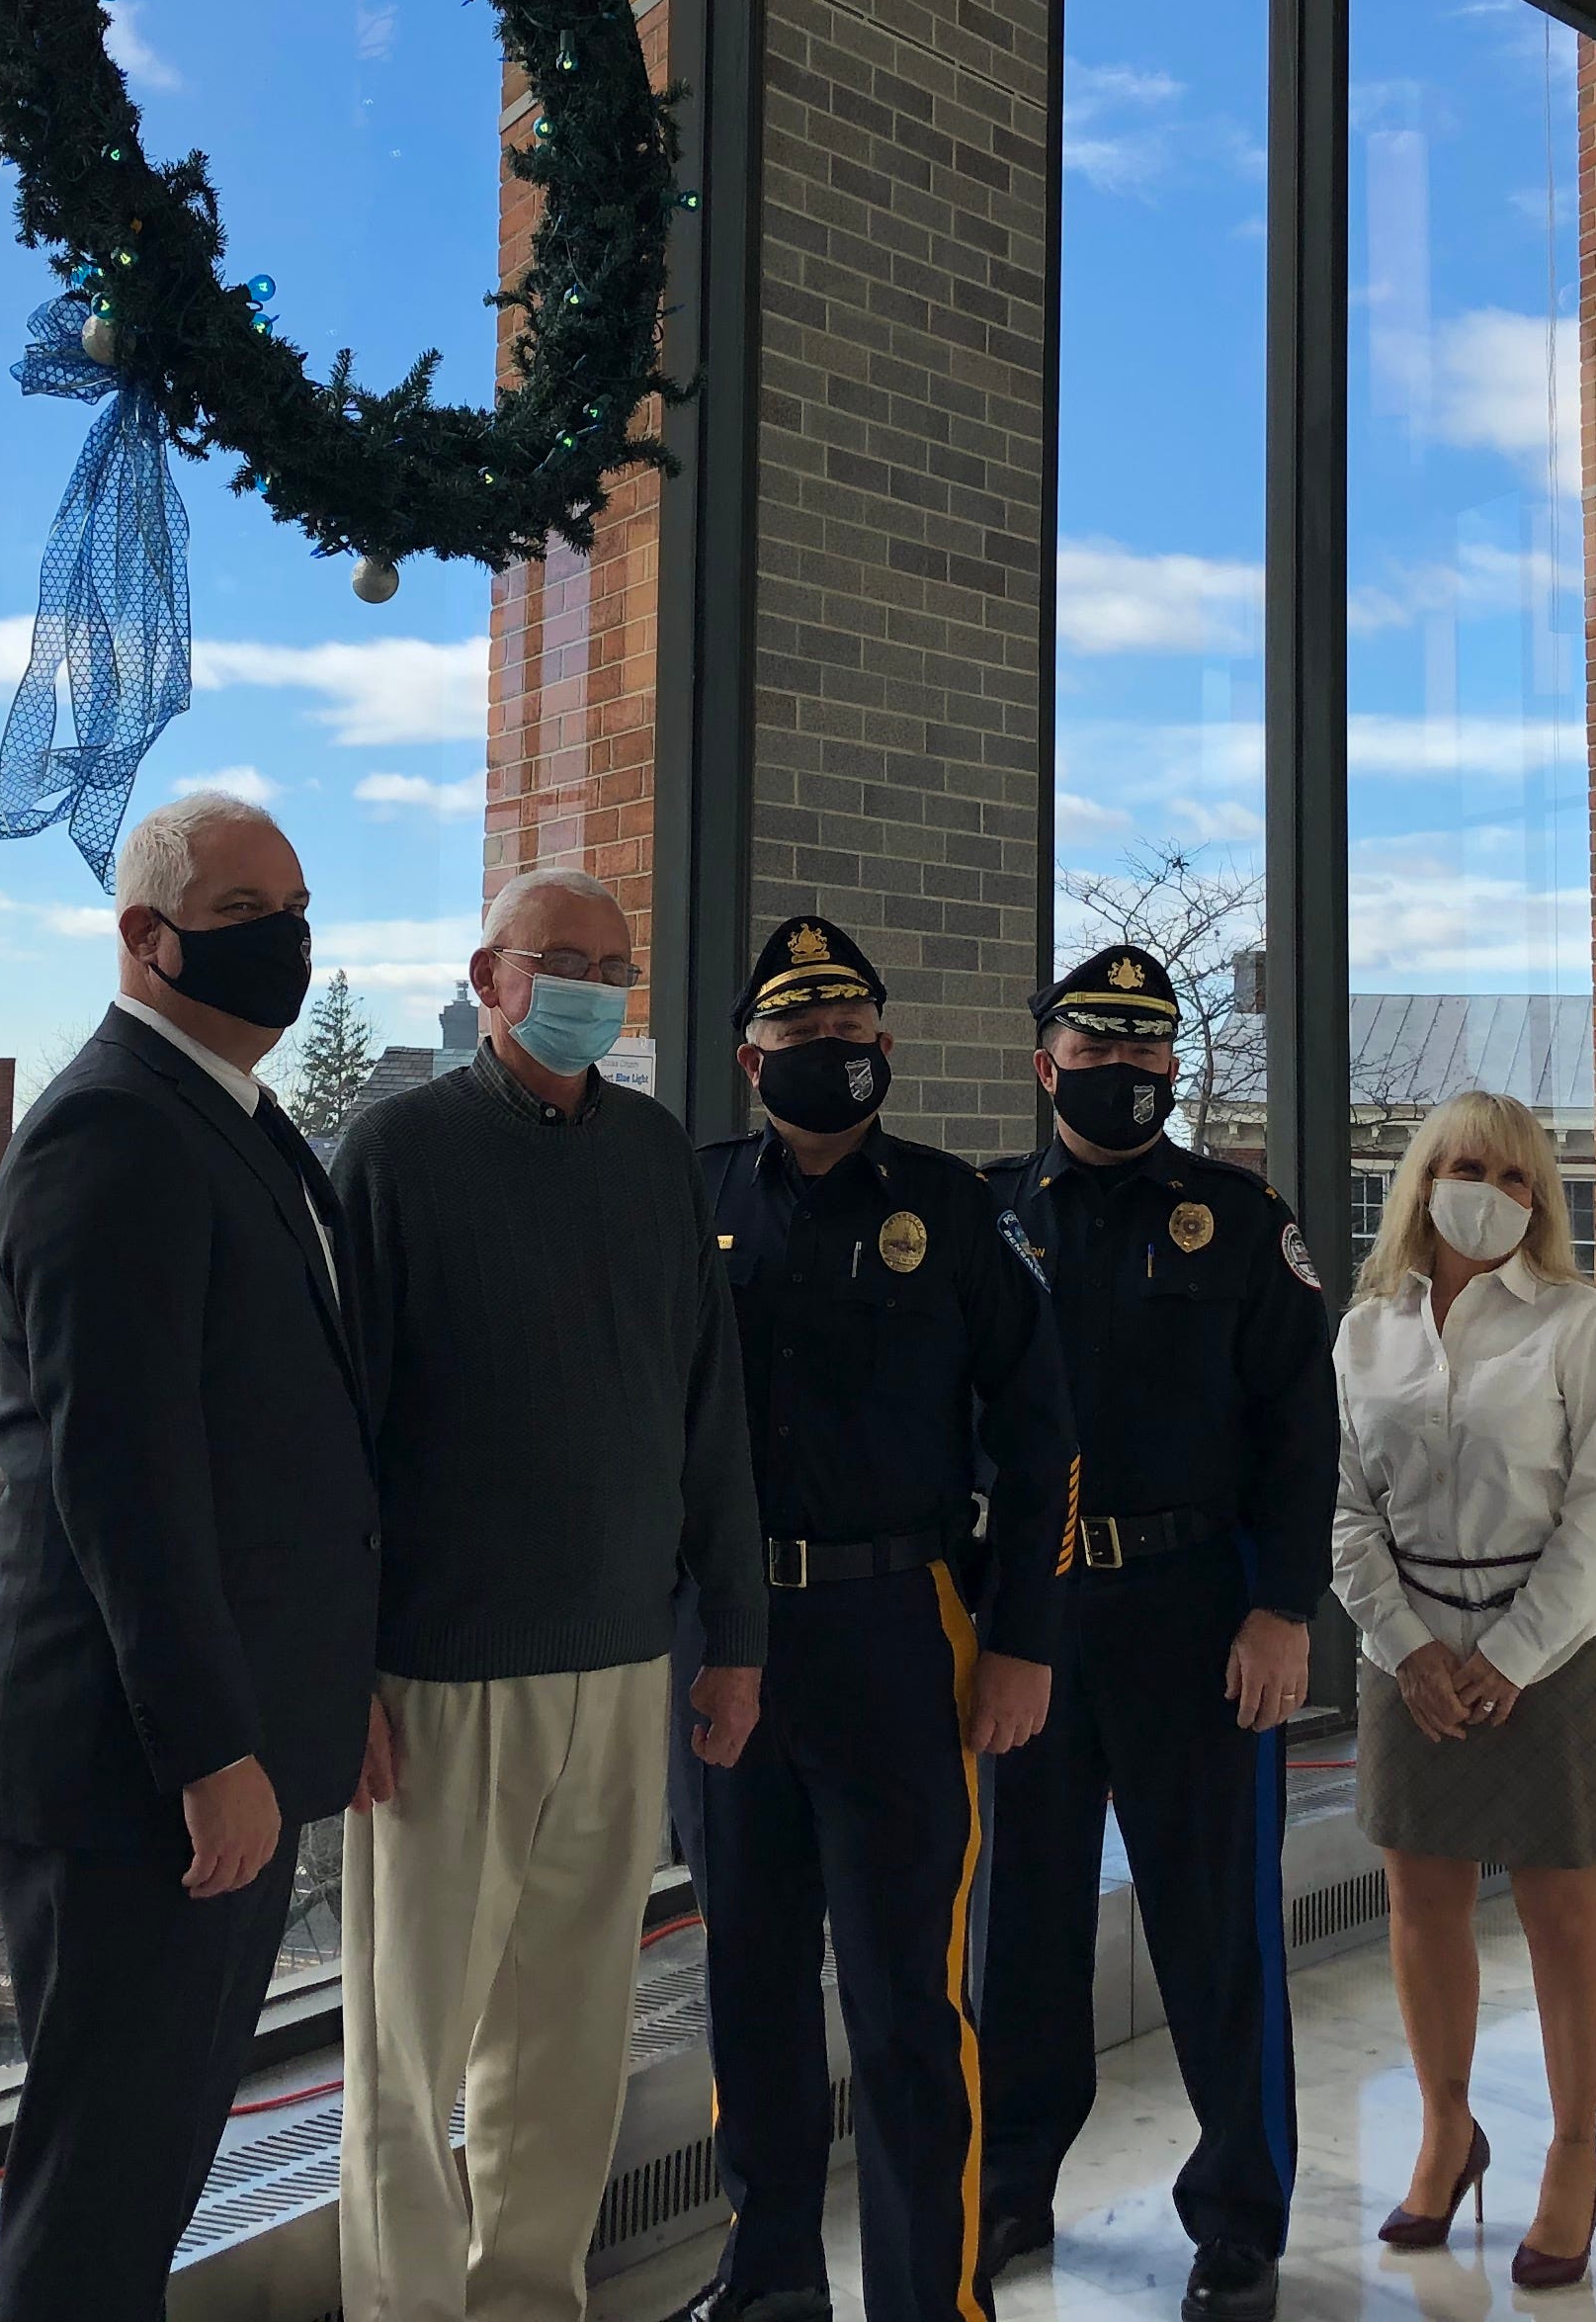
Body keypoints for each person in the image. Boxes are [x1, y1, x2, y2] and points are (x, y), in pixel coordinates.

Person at [329, 864, 770, 2322]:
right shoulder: (394, 1154)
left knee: (570, 2039)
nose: (591, 988)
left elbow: (708, 1414)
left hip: (624, 1665)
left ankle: (529, 2301)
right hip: (438, 1679)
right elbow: (336, 1440)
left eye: (613, 967)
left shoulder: (653, 1156)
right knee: (408, 2058)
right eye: (560, 961)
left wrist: (733, 1638)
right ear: (488, 978)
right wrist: (339, 1675)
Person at [0, 791, 380, 2318]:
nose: (289, 942)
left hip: (212, 1751)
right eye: (246, 914)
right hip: (133, 1769)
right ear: (147, 939)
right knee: (102, 2192)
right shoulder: (115, 1131)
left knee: (146, 2175)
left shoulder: (229, 1120)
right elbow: (120, 1482)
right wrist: (212, 1749)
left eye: (298, 910)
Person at [673, 914, 1077, 2322]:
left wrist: (1022, 1638)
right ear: (751, 1060)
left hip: (901, 1631)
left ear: (886, 1048)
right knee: (751, 1979)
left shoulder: (955, 1210)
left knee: (907, 1997)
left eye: (851, 1032)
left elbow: (1041, 1437)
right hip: (726, 1643)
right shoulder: (694, 1195)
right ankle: (770, 2278)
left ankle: (930, 2297)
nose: (830, 1052)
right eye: (800, 1033)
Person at [974, 944, 1334, 2322]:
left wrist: (1283, 1609)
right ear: (1045, 1062)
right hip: (1030, 1620)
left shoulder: (1239, 1222)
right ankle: (1010, 2182)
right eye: (1096, 1047)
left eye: (1145, 1048)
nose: (1123, 1069)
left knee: (1217, 1927)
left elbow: (1302, 1431)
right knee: (1022, 1920)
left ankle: (1238, 2215)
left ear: (1174, 1065)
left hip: (1197, 1614)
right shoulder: (986, 1220)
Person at [1330, 1088, 1596, 2294]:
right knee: (1423, 1899)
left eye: (1518, 1178)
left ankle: (1574, 2155)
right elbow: (1343, 1508)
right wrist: (1408, 1648)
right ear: (1421, 1182)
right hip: (1406, 1651)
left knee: (1564, 1908)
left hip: (1554, 1655)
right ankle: (1447, 2130)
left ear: (1541, 1201)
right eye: (1467, 1168)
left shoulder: (1580, 1322)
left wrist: (1513, 1654)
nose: (1492, 1193)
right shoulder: (1367, 1333)